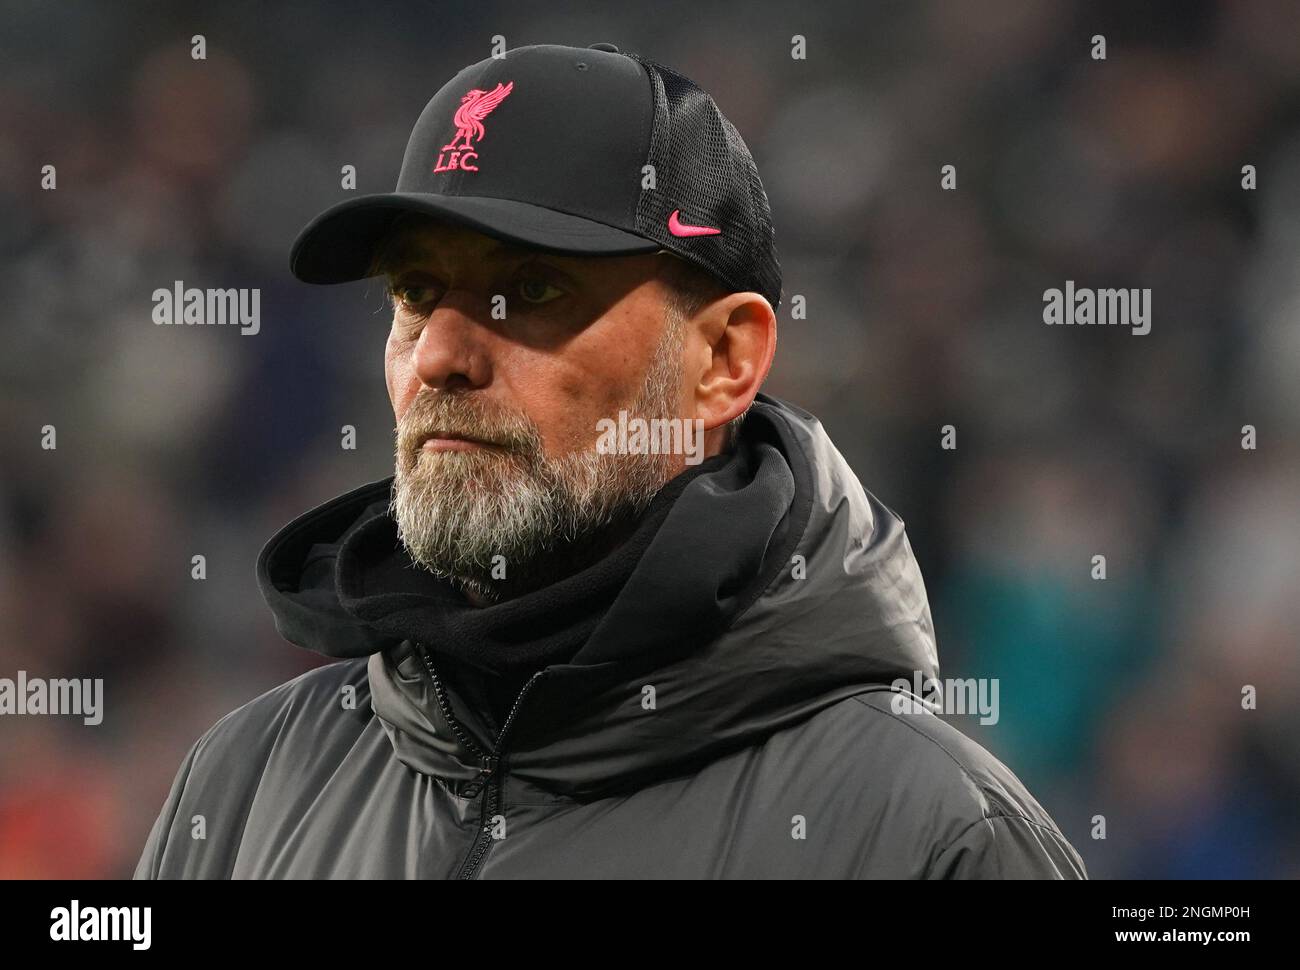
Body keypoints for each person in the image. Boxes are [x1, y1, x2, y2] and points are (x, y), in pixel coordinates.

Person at [135, 43, 1086, 879]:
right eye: (417, 292)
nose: (439, 355)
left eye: (532, 288)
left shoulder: (934, 837)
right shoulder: (243, 782)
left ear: (723, 361)